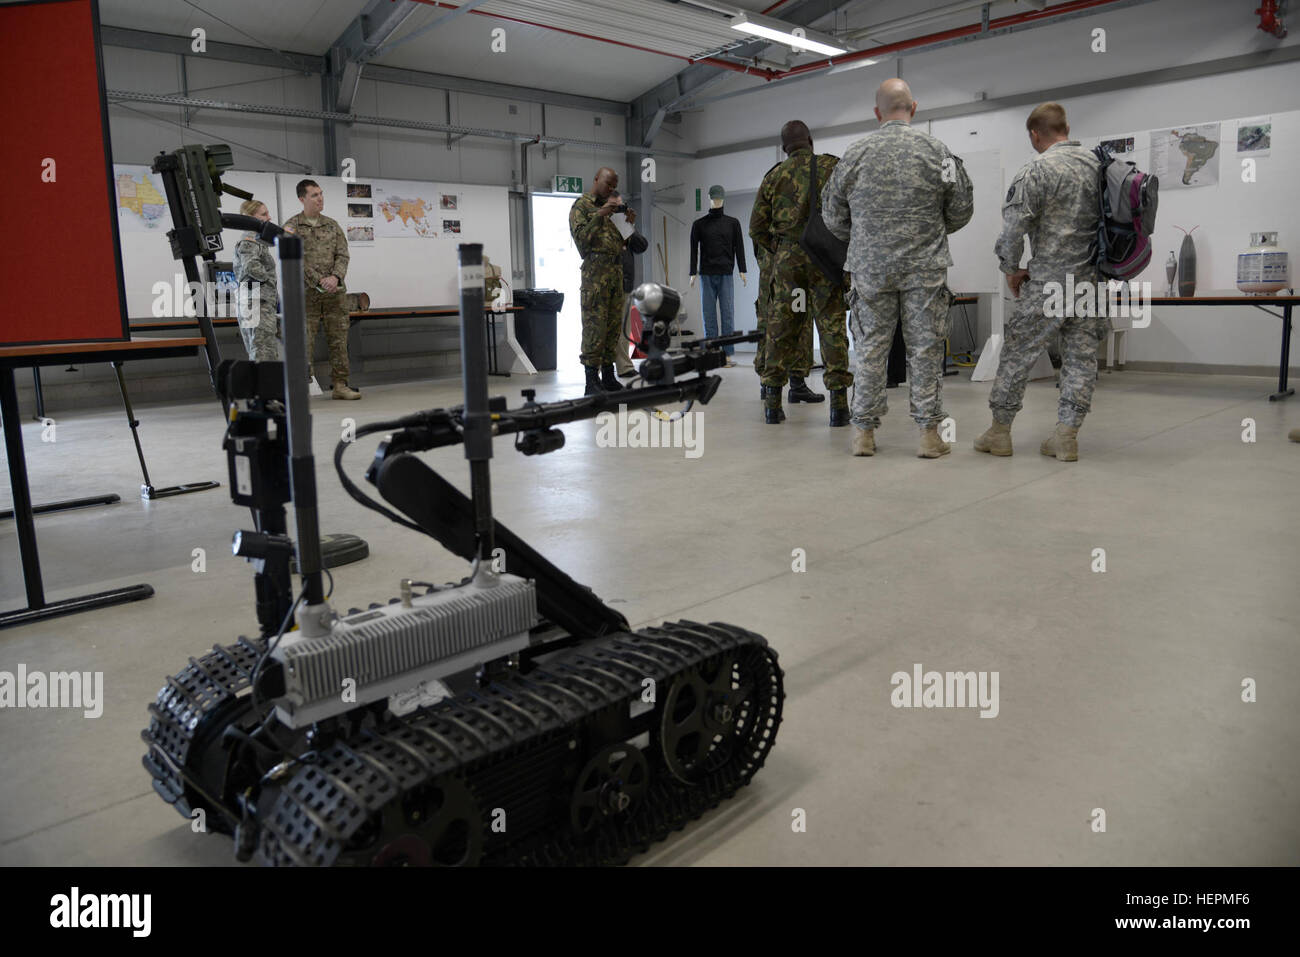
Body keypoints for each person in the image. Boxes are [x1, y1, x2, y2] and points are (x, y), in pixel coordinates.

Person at [823, 78, 973, 458]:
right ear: (914, 108)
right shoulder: (937, 152)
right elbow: (961, 209)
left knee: (871, 349)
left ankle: (863, 434)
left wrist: (865, 238)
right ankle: (928, 435)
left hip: (870, 268)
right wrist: (931, 229)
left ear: (877, 113)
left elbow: (832, 216)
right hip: (924, 266)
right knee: (924, 349)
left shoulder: (854, 155)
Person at [974, 102, 1102, 461]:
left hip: (1048, 282)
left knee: (1017, 354)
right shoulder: (1098, 167)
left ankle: (999, 433)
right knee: (1080, 359)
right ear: (1066, 128)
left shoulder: (1037, 169)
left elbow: (1015, 230)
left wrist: (1011, 268)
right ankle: (1066, 436)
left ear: (1035, 134)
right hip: (1090, 282)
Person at [750, 121, 853, 425]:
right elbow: (852, 212)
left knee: (782, 327)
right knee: (831, 326)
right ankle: (838, 408)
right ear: (810, 140)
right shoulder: (832, 167)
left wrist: (782, 248)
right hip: (825, 260)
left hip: (788, 264)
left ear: (784, 147)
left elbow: (756, 227)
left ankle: (772, 405)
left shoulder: (774, 176)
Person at [283, 179, 359, 400]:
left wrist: (335, 277)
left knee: (339, 339)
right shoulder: (291, 227)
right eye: (314, 195)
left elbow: (343, 254)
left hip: (334, 294)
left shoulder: (332, 225)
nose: (320, 198)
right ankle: (302, 386)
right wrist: (319, 280)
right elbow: (294, 260)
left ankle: (340, 385)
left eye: (321, 194)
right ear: (302, 199)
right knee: (304, 342)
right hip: (306, 295)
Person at [569, 167, 638, 394]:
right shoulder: (582, 206)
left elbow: (624, 243)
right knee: (594, 329)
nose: (610, 189)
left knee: (612, 329)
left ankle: (608, 377)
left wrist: (628, 223)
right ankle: (591, 381)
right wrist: (600, 215)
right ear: (596, 179)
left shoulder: (613, 210)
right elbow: (582, 242)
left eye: (613, 186)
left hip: (615, 274)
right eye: (608, 184)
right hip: (595, 277)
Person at [753, 222, 822, 404]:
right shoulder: (792, 199)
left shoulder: (769, 199)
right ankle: (785, 384)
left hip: (777, 269)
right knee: (790, 321)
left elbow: (756, 233)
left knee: (786, 321)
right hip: (787, 266)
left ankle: (779, 385)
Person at [689, 185, 746, 365]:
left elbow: (739, 247)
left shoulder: (733, 223)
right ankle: (711, 353)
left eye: (719, 198)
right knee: (709, 315)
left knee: (727, 314)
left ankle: (727, 354)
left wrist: (742, 270)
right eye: (714, 198)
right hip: (706, 273)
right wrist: (692, 272)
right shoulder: (699, 224)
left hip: (726, 274)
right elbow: (693, 250)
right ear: (708, 198)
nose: (717, 201)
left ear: (724, 199)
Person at [231, 199, 280, 361]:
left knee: (262, 352)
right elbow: (251, 266)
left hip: (258, 301)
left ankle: (266, 385)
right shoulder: (249, 241)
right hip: (258, 303)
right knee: (263, 354)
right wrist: (269, 283)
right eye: (264, 214)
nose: (269, 217)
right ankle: (266, 386)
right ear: (250, 218)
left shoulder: (258, 241)